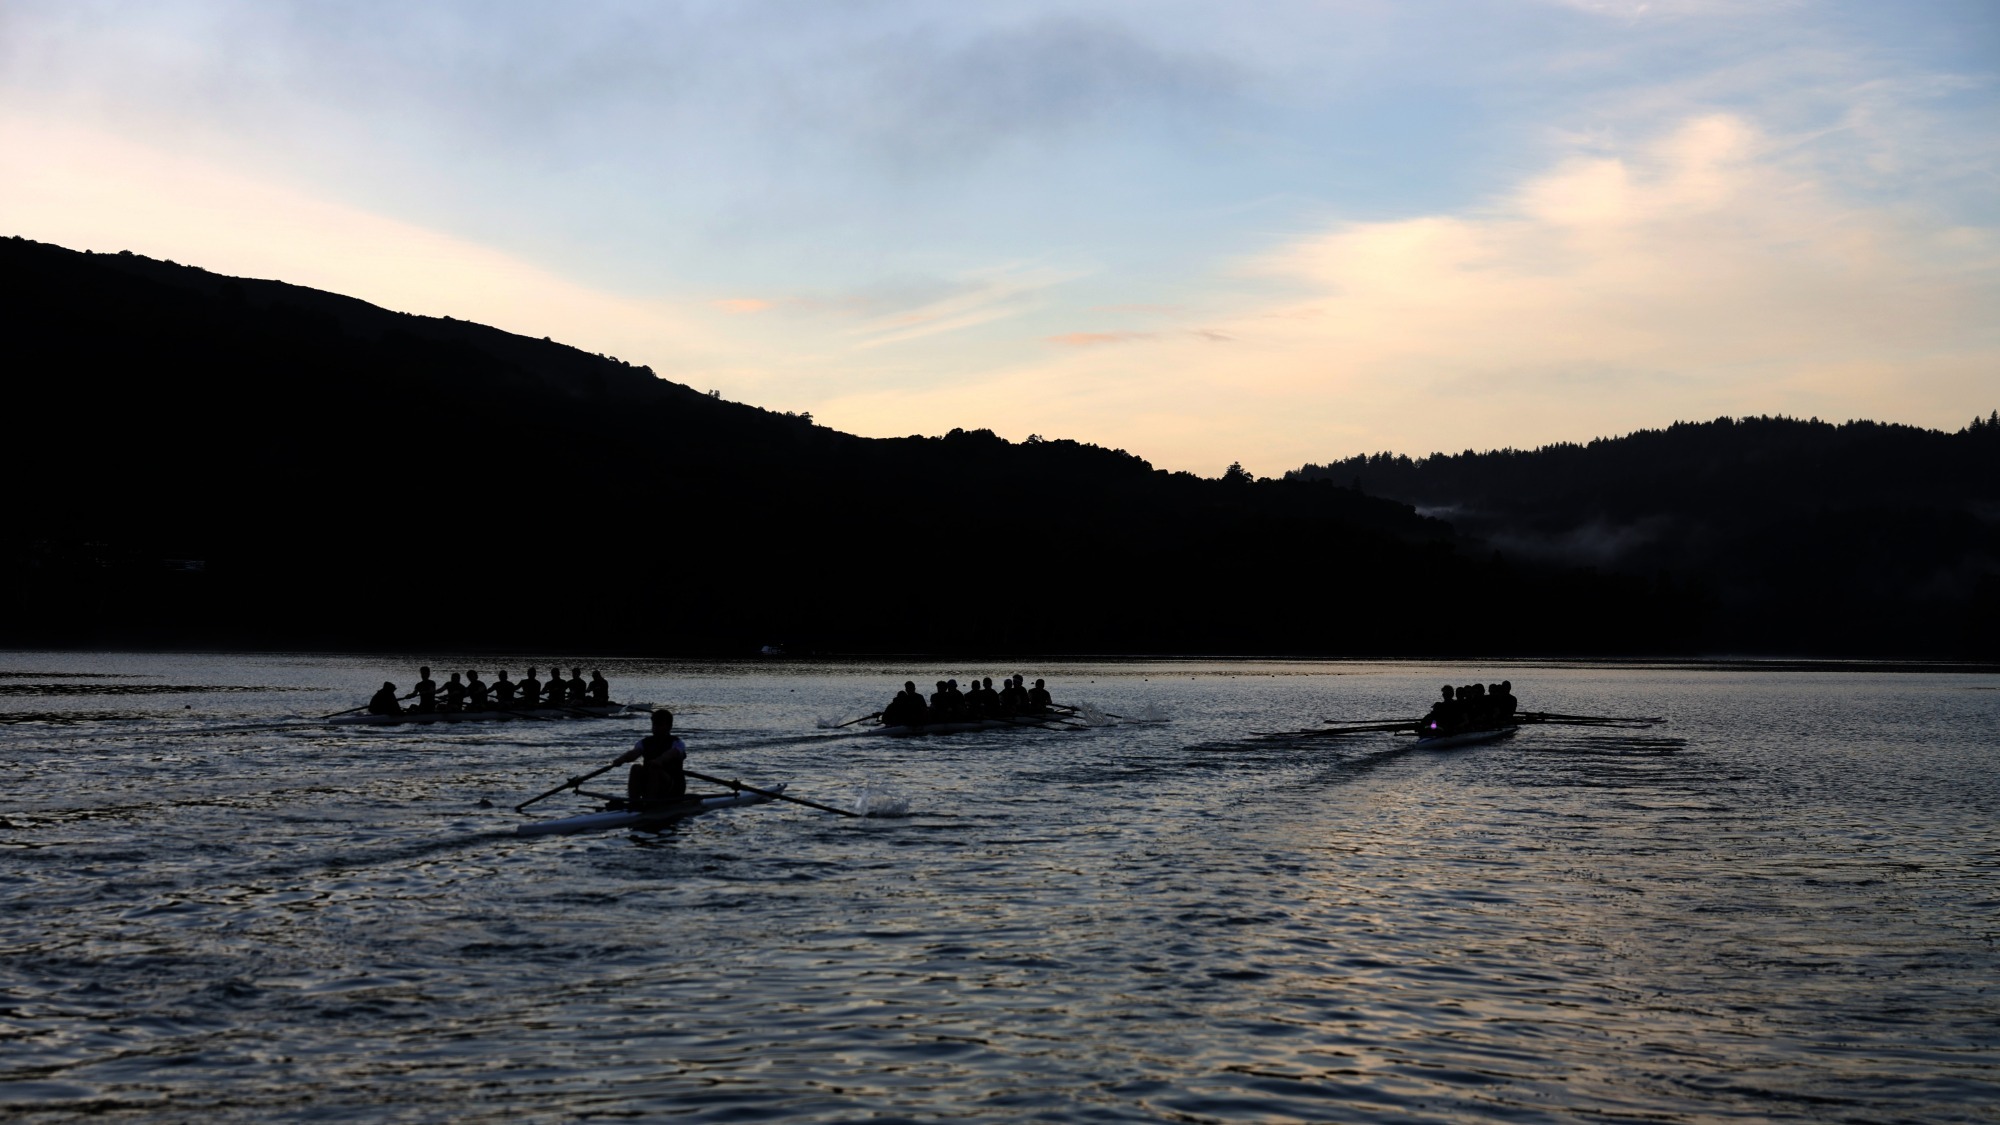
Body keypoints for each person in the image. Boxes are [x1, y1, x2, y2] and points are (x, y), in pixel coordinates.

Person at [615, 709, 688, 808]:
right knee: (636, 768)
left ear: (669, 727)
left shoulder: (677, 743)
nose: (656, 728)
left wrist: (659, 760)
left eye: (660, 725)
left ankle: (650, 804)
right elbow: (634, 753)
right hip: (652, 784)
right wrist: (622, 759)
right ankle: (634, 802)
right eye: (654, 725)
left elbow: (671, 754)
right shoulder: (645, 742)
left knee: (655, 769)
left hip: (673, 788)